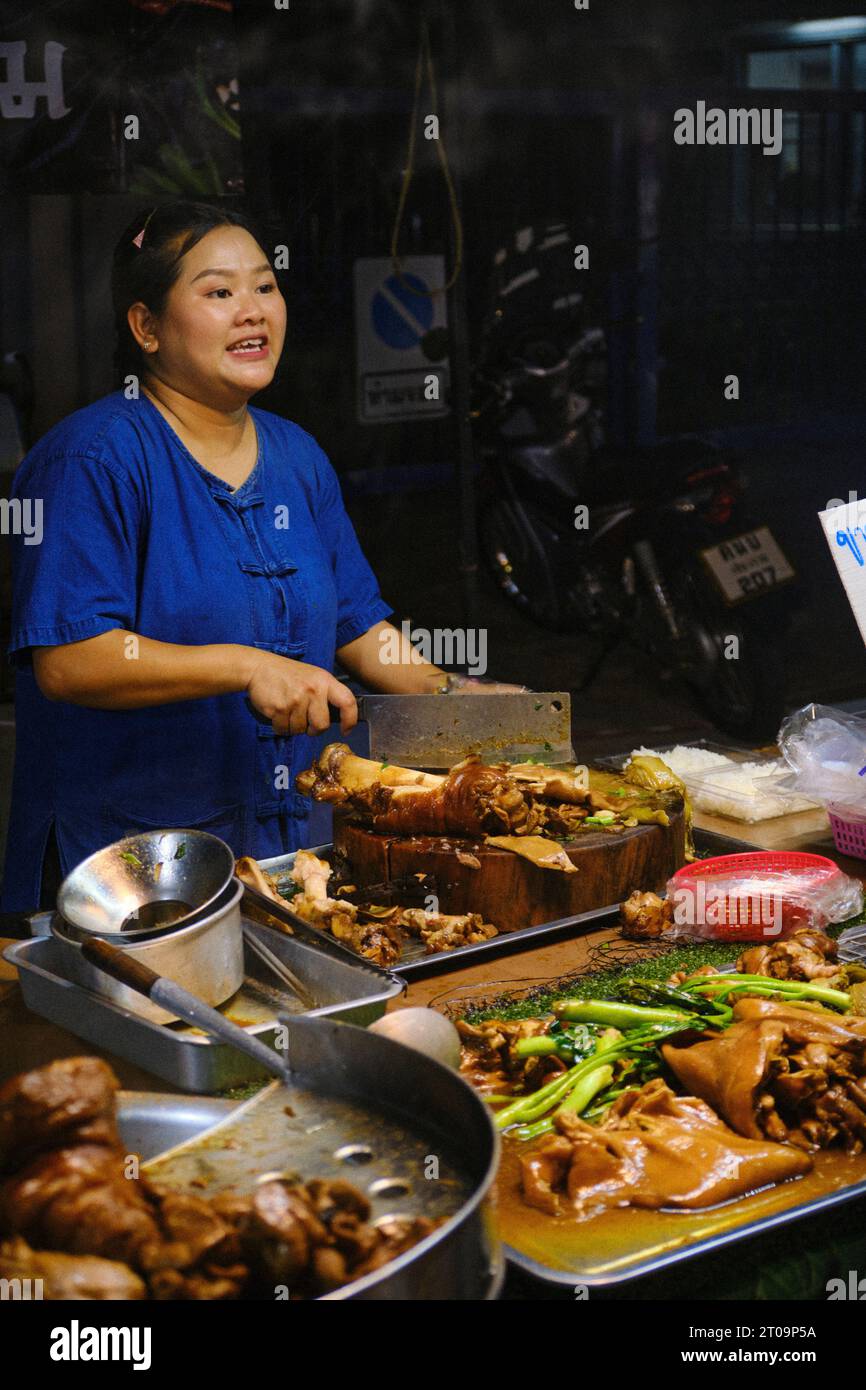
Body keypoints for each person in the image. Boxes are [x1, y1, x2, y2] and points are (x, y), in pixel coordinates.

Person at [1, 200, 517, 911]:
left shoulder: (296, 455)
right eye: (218, 292)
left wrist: (456, 702)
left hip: (289, 852)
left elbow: (358, 629)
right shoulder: (95, 458)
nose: (252, 310)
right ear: (146, 327)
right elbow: (69, 659)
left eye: (264, 286)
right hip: (131, 874)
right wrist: (248, 665)